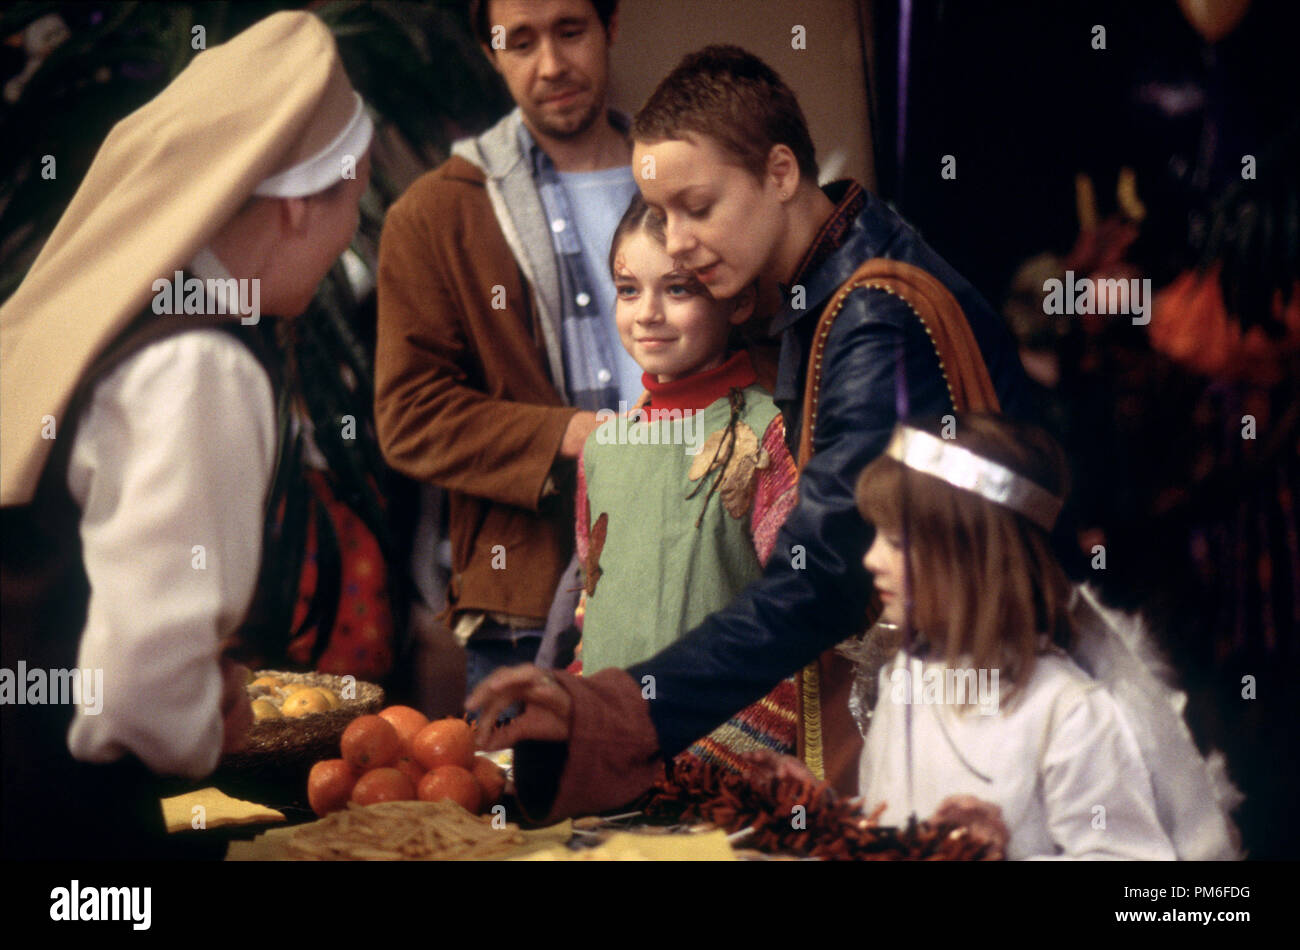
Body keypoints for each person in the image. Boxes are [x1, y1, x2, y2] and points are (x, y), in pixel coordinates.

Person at [467, 45, 1037, 822]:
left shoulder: (871, 315)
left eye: (696, 208)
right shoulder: (832, 278)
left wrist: (624, 708)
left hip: (991, 703)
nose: (678, 240)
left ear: (778, 173)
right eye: (661, 215)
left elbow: (825, 573)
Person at [0, 11, 373, 860]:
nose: (352, 236)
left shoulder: (135, 316)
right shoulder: (202, 364)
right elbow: (140, 687)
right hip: (74, 830)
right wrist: (209, 716)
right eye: (352, 201)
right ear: (295, 208)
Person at [769, 413, 1243, 859]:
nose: (871, 559)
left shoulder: (1067, 711)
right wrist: (829, 815)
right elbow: (896, 827)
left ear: (973, 561)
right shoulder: (906, 677)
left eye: (896, 542)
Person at [375, 0, 643, 696]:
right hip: (528, 605)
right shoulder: (435, 214)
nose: (550, 65)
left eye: (570, 31)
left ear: (611, 26)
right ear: (490, 51)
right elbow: (410, 415)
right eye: (519, 42)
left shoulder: (678, 178)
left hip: (697, 580)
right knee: (529, 804)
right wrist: (571, 435)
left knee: (710, 802)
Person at [571, 194, 799, 769]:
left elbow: (799, 621)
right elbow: (593, 613)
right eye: (628, 290)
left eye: (677, 289)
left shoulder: (770, 435)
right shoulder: (603, 447)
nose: (646, 312)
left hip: (720, 773)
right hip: (607, 767)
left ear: (737, 298)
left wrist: (705, 760)